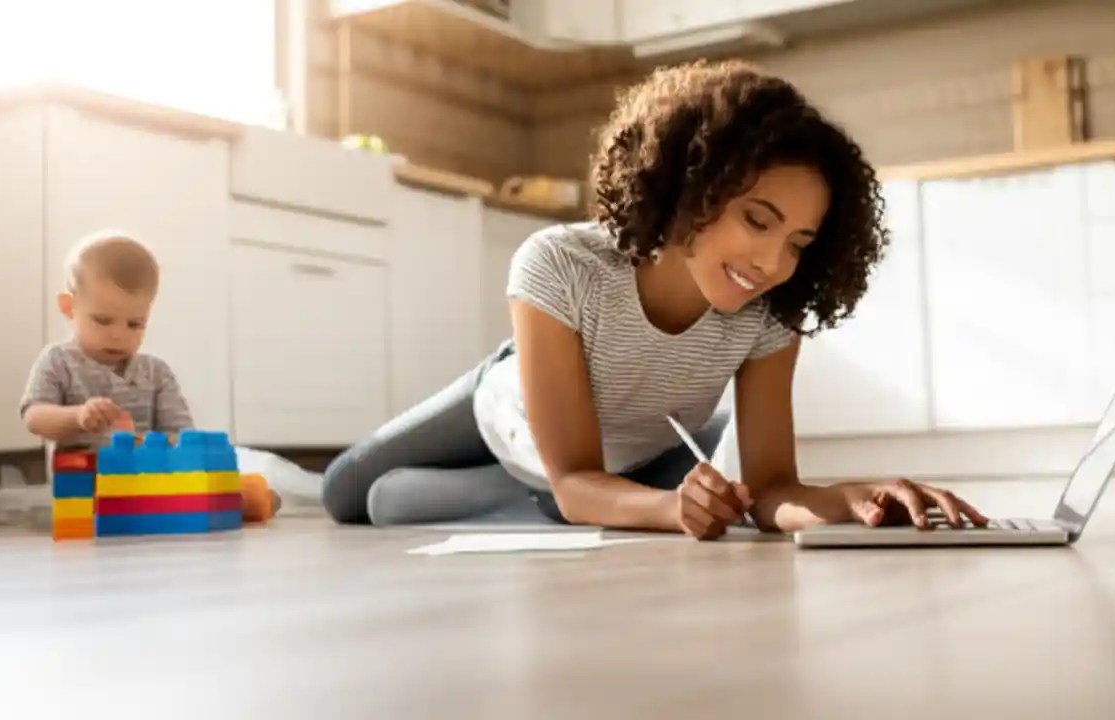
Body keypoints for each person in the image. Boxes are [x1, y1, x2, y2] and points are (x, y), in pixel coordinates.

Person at [323, 60, 989, 539]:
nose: (773, 263)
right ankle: (549, 497)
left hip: (628, 459)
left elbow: (772, 490)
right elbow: (581, 475)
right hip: (510, 411)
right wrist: (662, 507)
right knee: (348, 489)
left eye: (799, 242)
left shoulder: (771, 315)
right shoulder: (562, 265)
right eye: (758, 221)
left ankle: (550, 498)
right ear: (689, 188)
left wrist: (847, 499)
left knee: (394, 503)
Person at [19, 231, 279, 518]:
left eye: (135, 324)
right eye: (103, 320)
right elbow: (34, 417)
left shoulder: (156, 373)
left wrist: (161, 446)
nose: (118, 335)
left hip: (150, 481)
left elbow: (181, 435)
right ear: (70, 307)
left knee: (234, 493)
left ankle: (253, 498)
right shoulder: (57, 361)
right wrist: (78, 416)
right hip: (89, 486)